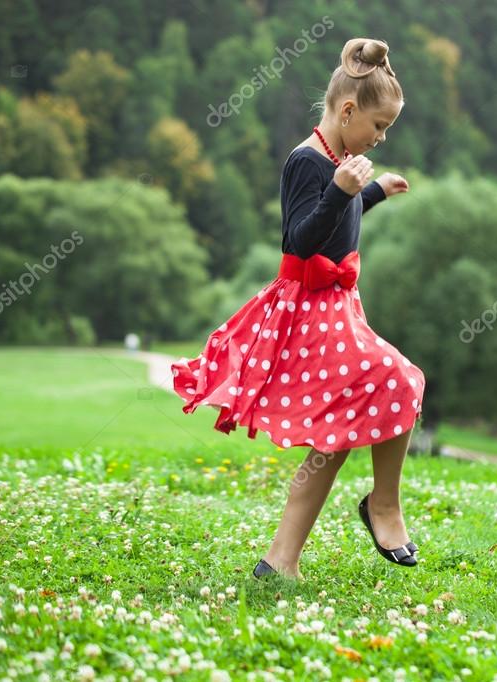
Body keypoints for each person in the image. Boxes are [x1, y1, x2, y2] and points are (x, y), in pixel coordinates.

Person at [171, 38, 425, 578]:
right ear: (348, 110)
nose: (380, 137)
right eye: (379, 126)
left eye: (388, 130)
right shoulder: (308, 162)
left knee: (336, 433)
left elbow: (341, 217)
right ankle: (382, 506)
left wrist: (371, 192)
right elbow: (300, 240)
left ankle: (279, 561)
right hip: (307, 310)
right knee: (399, 379)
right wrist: (340, 190)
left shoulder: (338, 162)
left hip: (337, 306)